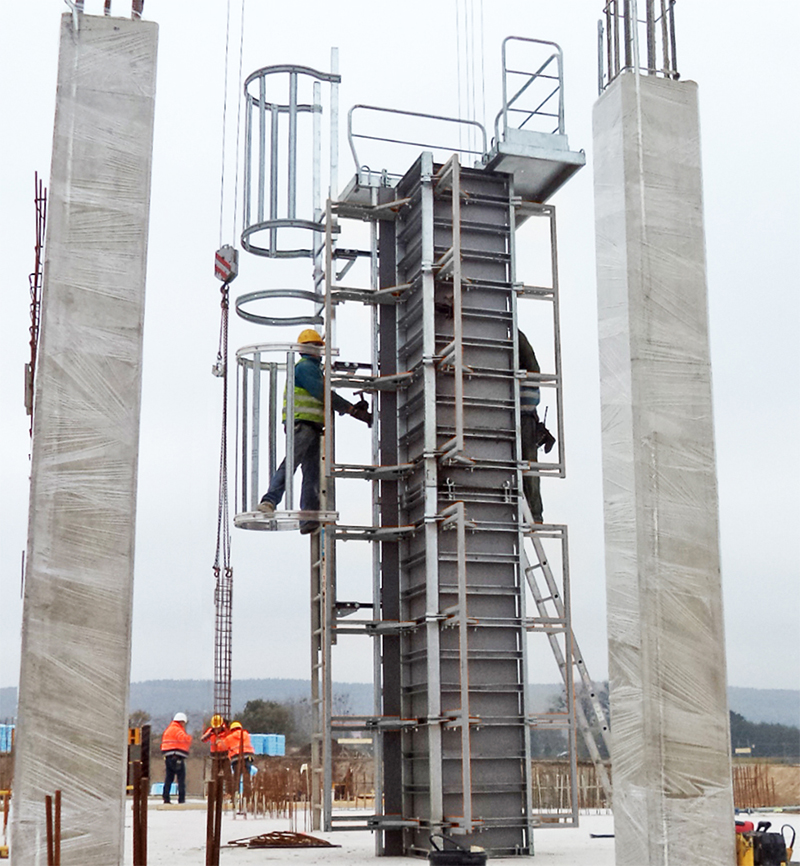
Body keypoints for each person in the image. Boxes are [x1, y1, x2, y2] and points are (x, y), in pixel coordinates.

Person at [257, 328, 372, 533]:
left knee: (311, 473)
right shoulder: (305, 368)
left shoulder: (312, 368)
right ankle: (269, 501)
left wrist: (350, 409)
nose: (320, 351)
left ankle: (308, 517)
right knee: (292, 463)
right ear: (309, 349)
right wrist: (351, 410)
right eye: (318, 347)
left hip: (312, 426)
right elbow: (321, 392)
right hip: (303, 425)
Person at [518, 330, 555, 524]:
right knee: (527, 464)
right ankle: (532, 512)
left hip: (524, 416)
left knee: (527, 464)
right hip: (520, 414)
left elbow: (533, 369)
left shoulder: (517, 340)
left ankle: (533, 512)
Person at [160, 712, 192, 804]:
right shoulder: (178, 730)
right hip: (177, 756)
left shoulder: (168, 729)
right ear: (182, 721)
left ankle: (166, 797)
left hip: (168, 756)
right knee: (181, 778)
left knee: (169, 778)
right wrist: (189, 738)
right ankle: (181, 799)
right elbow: (182, 738)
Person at [225, 720, 256, 799]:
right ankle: (248, 796)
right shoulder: (246, 734)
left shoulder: (229, 737)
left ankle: (236, 795)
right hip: (248, 756)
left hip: (236, 758)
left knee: (237, 778)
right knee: (247, 777)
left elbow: (223, 747)